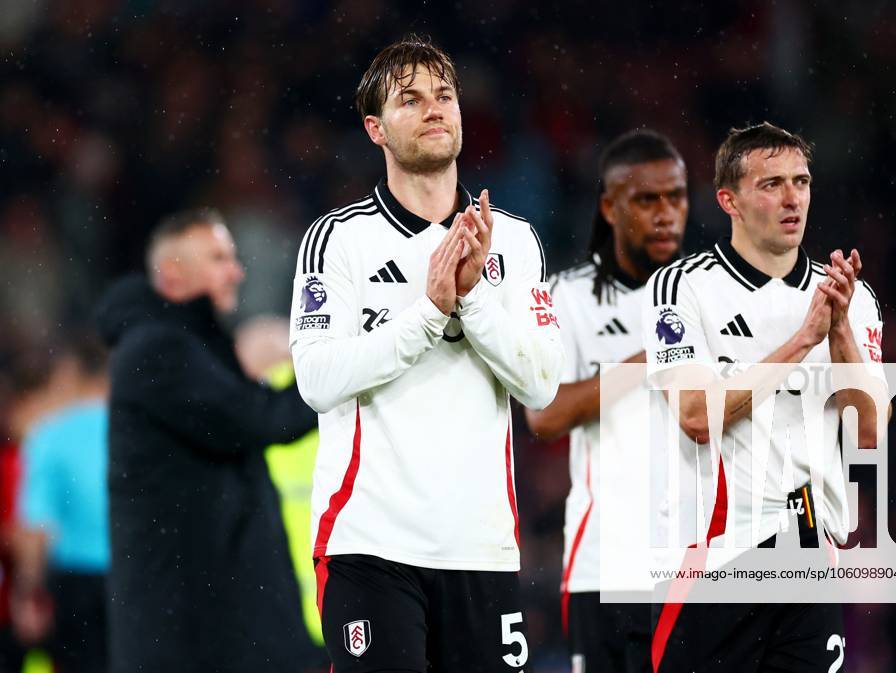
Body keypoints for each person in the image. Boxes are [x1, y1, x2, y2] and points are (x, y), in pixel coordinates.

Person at [289, 35, 563, 672]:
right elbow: (317, 379)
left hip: (482, 552)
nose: (435, 109)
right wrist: (429, 313)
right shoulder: (338, 239)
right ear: (375, 128)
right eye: (410, 100)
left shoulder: (515, 243)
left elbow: (543, 385)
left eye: (445, 96)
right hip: (370, 546)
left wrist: (471, 301)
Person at [642, 122, 886, 672]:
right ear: (729, 199)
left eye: (800, 181)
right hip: (711, 555)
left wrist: (840, 329)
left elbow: (869, 428)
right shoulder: (682, 288)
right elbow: (696, 415)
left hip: (808, 554)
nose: (791, 196)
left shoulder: (850, 296)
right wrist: (802, 340)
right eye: (771, 183)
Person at [95, 208, 322, 673]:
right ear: (172, 273)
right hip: (190, 632)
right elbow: (261, 420)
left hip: (209, 623)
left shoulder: (190, 346)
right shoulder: (157, 350)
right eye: (219, 258)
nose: (236, 271)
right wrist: (340, 375)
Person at [523, 129, 688, 673]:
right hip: (605, 566)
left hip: (703, 566)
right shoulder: (566, 298)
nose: (666, 213)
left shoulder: (708, 293)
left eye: (677, 196)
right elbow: (543, 414)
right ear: (610, 207)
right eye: (648, 199)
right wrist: (652, 362)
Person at [11, 334, 110, 673]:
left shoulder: (49, 436)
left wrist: (28, 592)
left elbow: (38, 526)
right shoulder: (137, 430)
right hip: (138, 576)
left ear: (68, 376)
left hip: (76, 582)